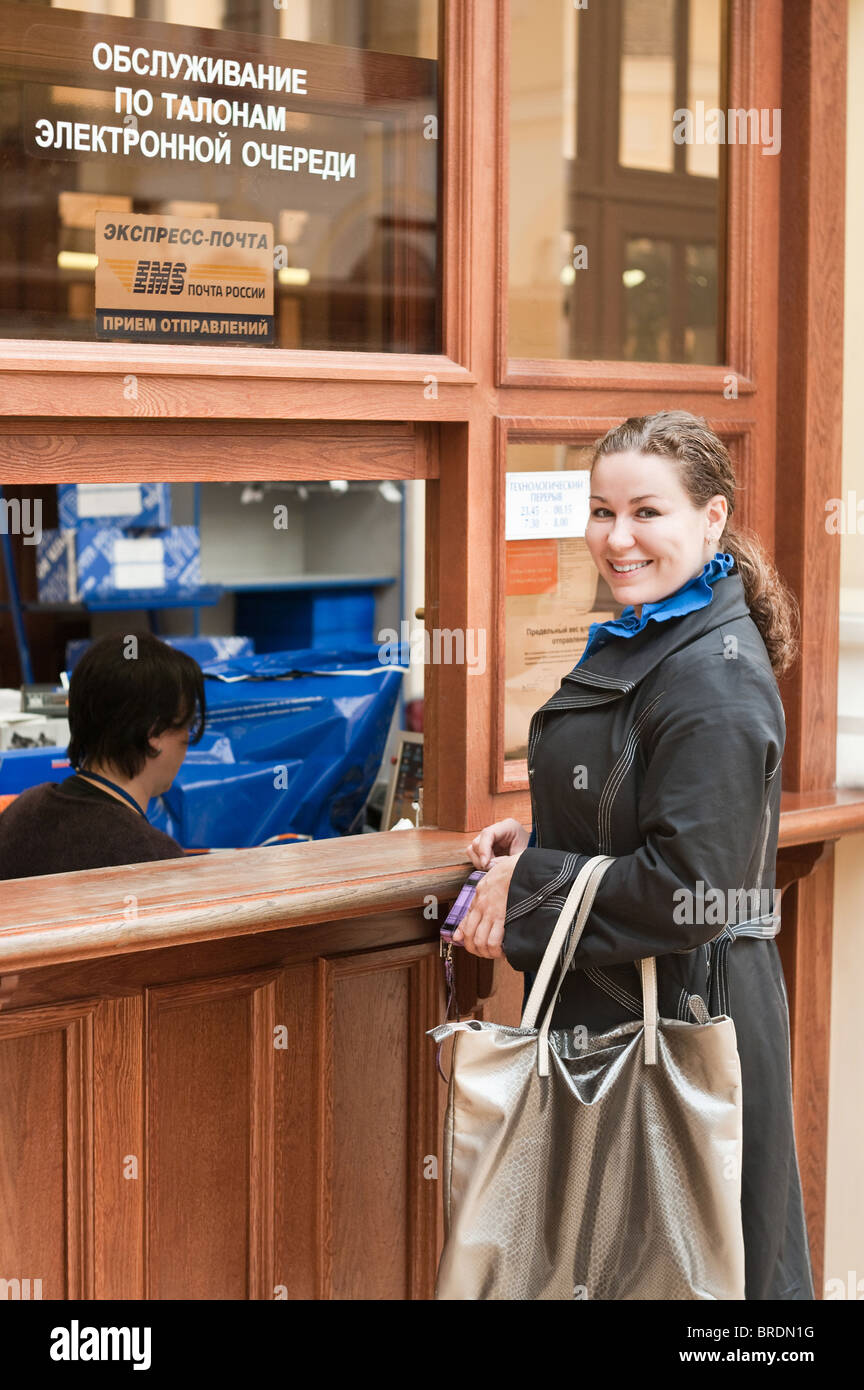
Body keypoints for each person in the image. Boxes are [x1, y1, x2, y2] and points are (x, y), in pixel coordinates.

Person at [455, 410, 814, 1302]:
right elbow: (637, 813)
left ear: (712, 520)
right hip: (626, 1013)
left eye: (646, 512)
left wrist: (531, 884)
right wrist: (539, 842)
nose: (617, 539)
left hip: (690, 1020)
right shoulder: (653, 632)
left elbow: (695, 887)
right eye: (600, 511)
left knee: (699, 1278)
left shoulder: (715, 674)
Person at [0, 632, 205, 879]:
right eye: (188, 725)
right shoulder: (153, 860)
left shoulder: (20, 813)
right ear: (154, 733)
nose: (187, 741)